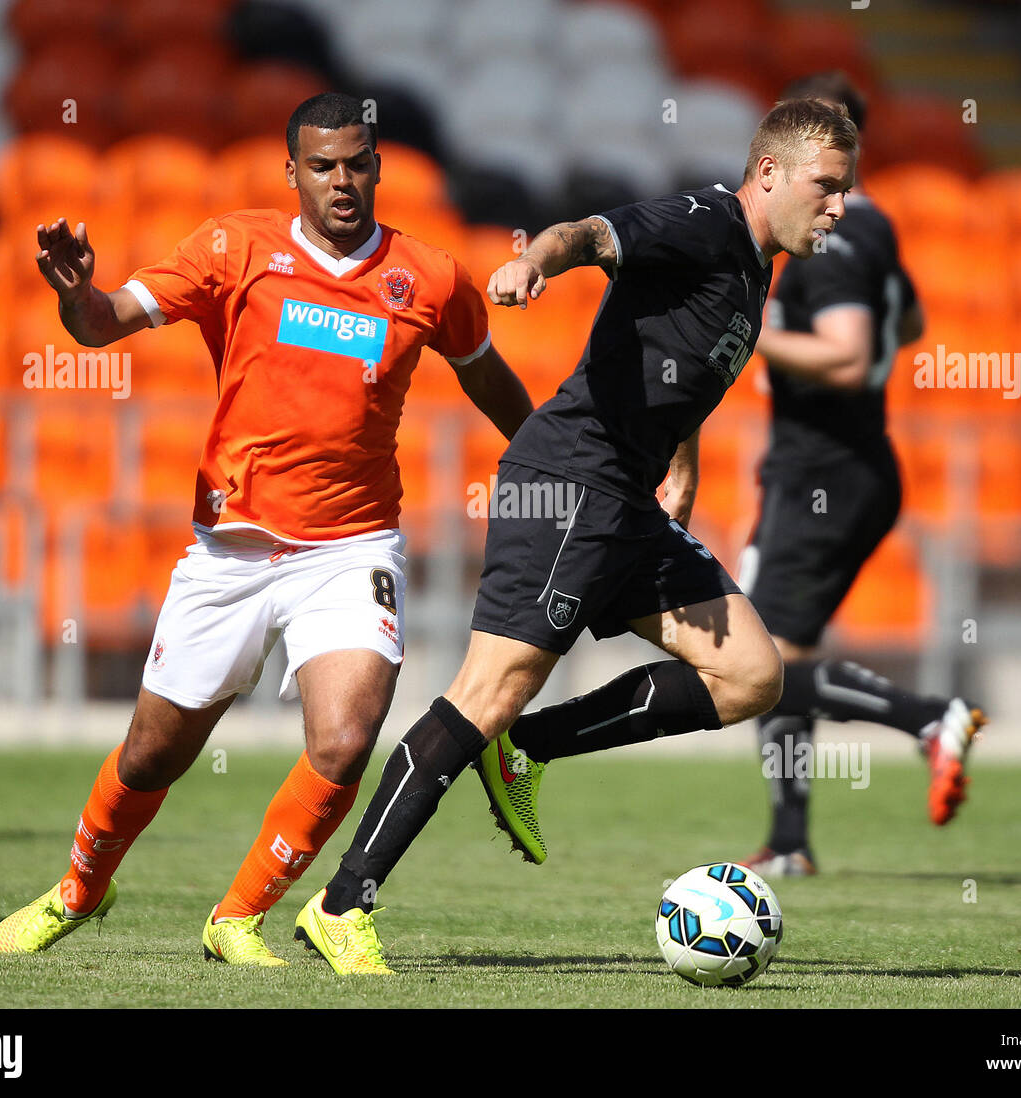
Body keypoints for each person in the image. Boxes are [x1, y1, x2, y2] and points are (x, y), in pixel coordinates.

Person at [291, 97, 855, 975]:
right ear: (770, 174)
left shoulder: (754, 266)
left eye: (846, 191)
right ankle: (341, 902)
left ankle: (530, 748)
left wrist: (684, 458)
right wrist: (533, 261)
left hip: (627, 498)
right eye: (826, 188)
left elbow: (672, 356)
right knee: (486, 692)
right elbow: (591, 233)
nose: (839, 207)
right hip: (566, 484)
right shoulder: (705, 221)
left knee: (751, 674)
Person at [0, 92, 533, 965]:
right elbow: (101, 325)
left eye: (357, 162)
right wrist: (77, 293)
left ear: (380, 166)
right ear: (292, 173)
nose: (342, 181)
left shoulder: (430, 277)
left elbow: (486, 374)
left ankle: (237, 918)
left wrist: (547, 456)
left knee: (346, 738)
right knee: (151, 757)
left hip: (352, 546)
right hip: (231, 549)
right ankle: (79, 890)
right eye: (322, 165)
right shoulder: (234, 247)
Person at [738, 73, 985, 878]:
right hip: (850, 467)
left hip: (823, 470)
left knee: (757, 664)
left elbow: (847, 353)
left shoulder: (835, 238)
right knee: (781, 656)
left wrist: (745, 336)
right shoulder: (876, 227)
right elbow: (907, 320)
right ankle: (791, 840)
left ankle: (927, 717)